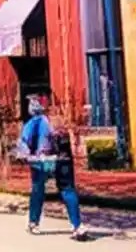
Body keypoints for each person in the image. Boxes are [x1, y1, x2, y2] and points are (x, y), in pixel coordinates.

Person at [18, 96, 86, 241]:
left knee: (38, 188)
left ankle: (33, 222)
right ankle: (77, 226)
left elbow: (24, 143)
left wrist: (25, 156)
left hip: (44, 162)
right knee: (68, 189)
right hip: (63, 160)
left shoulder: (34, 122)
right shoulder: (58, 121)